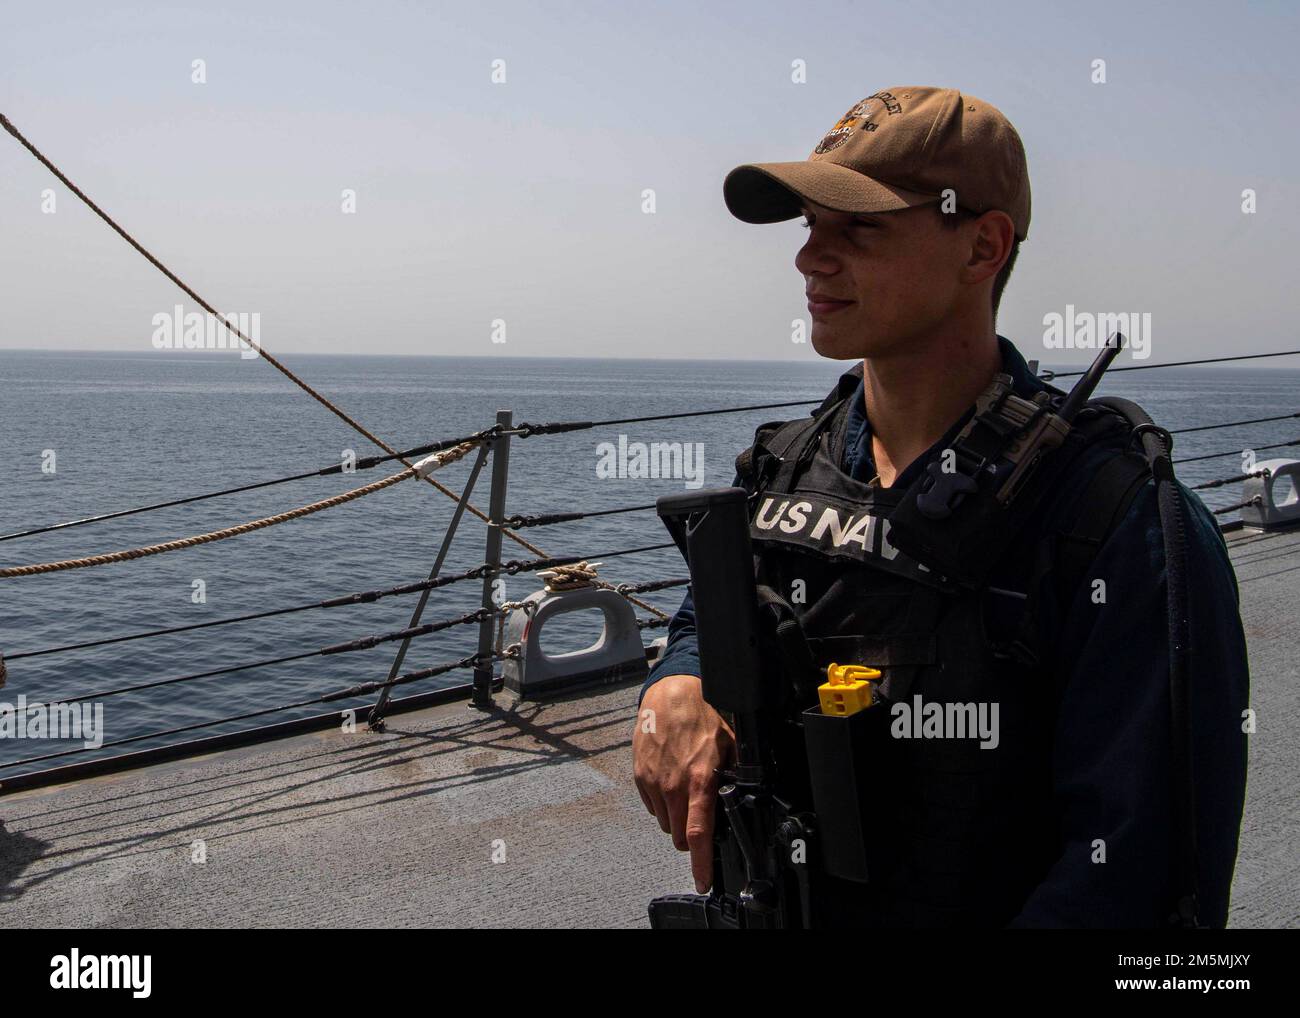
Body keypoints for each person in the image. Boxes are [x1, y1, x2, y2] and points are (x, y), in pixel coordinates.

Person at [632, 86, 1249, 928]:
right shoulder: (784, 469)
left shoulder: (1120, 522)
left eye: (861, 227)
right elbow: (716, 611)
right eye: (810, 226)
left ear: (982, 246)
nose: (811, 258)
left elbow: (1132, 879)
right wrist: (680, 678)